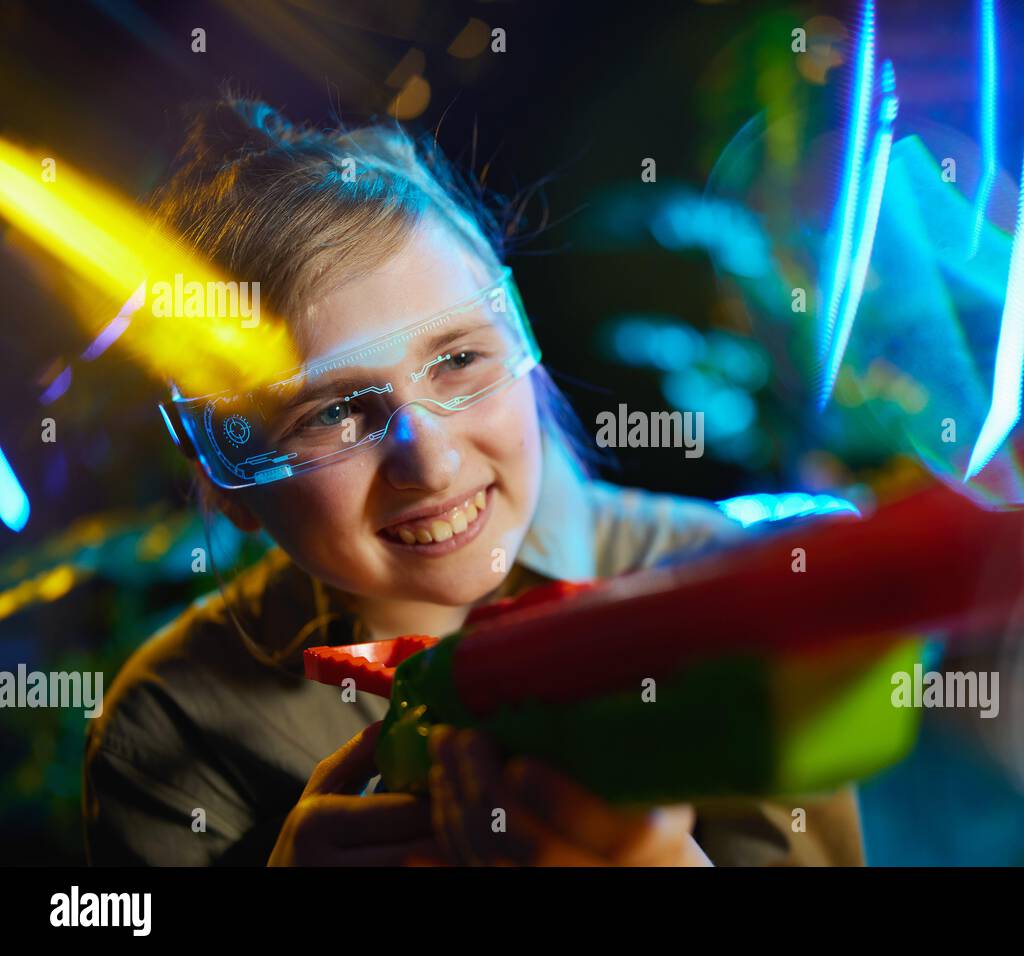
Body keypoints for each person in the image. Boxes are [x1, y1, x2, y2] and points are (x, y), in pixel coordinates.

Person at [82, 96, 866, 866]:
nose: (430, 462)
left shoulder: (726, 601)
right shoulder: (169, 727)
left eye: (458, 359)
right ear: (226, 482)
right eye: (328, 414)